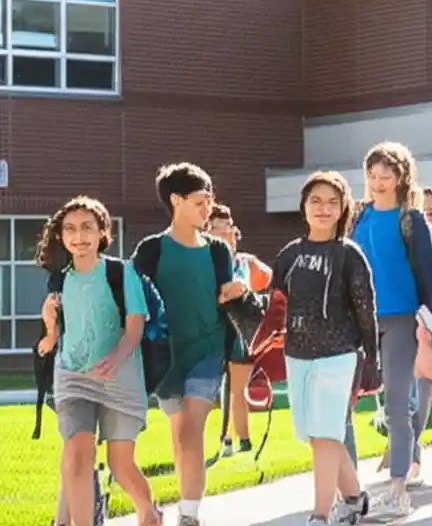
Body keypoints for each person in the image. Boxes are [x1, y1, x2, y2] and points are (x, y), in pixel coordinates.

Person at [129, 163, 251, 526]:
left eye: (210, 199)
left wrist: (239, 290)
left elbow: (228, 295)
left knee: (190, 428)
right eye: (201, 200)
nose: (208, 207)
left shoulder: (217, 251)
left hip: (207, 350)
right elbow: (132, 299)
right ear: (176, 200)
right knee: (179, 433)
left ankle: (189, 515)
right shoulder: (151, 250)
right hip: (167, 357)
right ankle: (186, 505)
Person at [36, 196, 162, 526]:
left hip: (121, 379)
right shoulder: (60, 280)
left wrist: (116, 356)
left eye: (87, 228)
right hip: (74, 376)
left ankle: (148, 511)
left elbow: (135, 325)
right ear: (61, 236)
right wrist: (49, 330)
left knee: (121, 466)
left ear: (102, 231)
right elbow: (56, 336)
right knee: (78, 453)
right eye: (71, 229)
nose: (79, 237)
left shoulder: (121, 273)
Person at [263, 171, 379, 525]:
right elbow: (274, 305)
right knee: (314, 434)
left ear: (343, 207)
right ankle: (356, 497)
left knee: (328, 431)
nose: (324, 209)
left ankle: (319, 515)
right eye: (316, 201)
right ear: (304, 207)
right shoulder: (290, 255)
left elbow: (365, 308)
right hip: (298, 354)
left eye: (332, 202)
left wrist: (372, 359)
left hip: (339, 354)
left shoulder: (349, 255)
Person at [349, 142, 432, 516]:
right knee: (345, 407)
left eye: (385, 176)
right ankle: (346, 493)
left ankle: (398, 490)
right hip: (358, 321)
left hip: (401, 318)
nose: (378, 183)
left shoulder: (412, 220)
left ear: (400, 178)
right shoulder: (357, 216)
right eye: (372, 176)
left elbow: (431, 277)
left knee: (396, 404)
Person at [205, 203, 272, 458]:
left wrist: (249, 291)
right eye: (216, 229)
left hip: (240, 328)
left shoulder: (244, 263)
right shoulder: (204, 261)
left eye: (228, 229)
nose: (224, 235)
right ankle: (226, 440)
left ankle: (238, 441)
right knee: (212, 387)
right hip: (212, 328)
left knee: (237, 387)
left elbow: (269, 280)